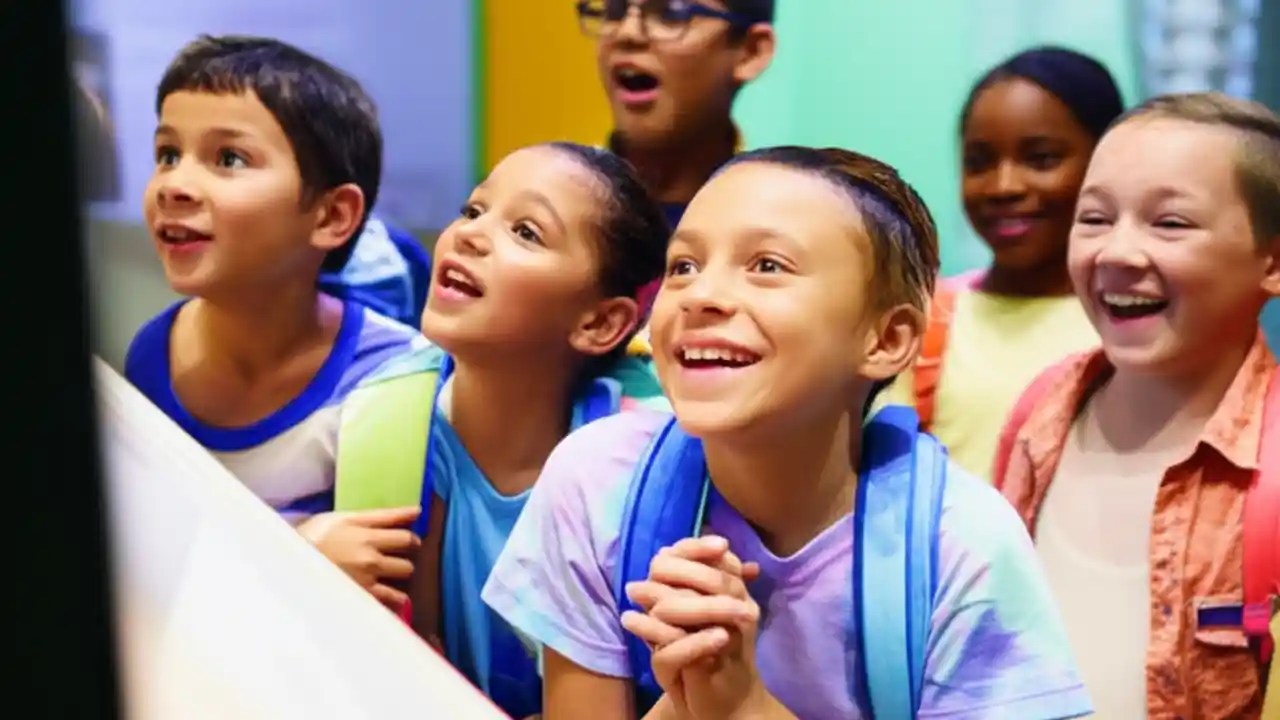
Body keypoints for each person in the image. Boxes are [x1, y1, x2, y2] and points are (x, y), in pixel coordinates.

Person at [482, 146, 1092, 719]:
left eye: (767, 266)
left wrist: (745, 705)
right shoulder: (597, 482)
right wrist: (685, 699)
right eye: (684, 266)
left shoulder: (961, 546)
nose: (703, 296)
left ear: (887, 340)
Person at [327, 142, 670, 719]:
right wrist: (308, 556)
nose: (470, 235)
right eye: (473, 210)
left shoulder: (645, 457)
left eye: (527, 232)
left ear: (600, 322)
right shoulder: (389, 421)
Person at [994, 92, 1280, 718]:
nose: (1117, 253)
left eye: (1170, 223)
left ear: (1273, 260)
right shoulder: (1040, 414)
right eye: (1094, 218)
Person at [123, 35, 423, 525]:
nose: (174, 185)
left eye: (229, 159)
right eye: (168, 154)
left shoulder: (393, 379)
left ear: (331, 216)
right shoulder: (151, 354)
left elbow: (388, 583)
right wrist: (302, 544)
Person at [879, 47, 1123, 480]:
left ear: (1109, 161)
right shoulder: (920, 320)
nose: (1004, 186)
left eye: (1041, 159)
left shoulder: (1138, 326)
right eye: (979, 163)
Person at [579, 0, 775, 230]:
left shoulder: (779, 226)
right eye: (615, 11)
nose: (627, 33)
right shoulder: (559, 206)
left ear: (751, 52)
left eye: (671, 14)